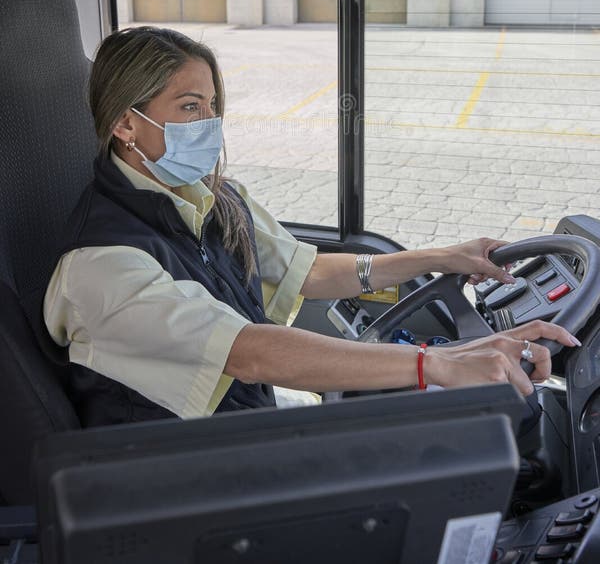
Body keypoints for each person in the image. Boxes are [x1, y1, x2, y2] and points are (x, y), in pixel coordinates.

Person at [44, 27, 579, 427]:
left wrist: (442, 257)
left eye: (212, 106)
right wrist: (434, 363)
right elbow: (249, 351)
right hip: (176, 465)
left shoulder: (215, 199)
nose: (209, 124)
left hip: (246, 417)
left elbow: (309, 271)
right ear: (124, 122)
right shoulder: (101, 263)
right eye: (189, 108)